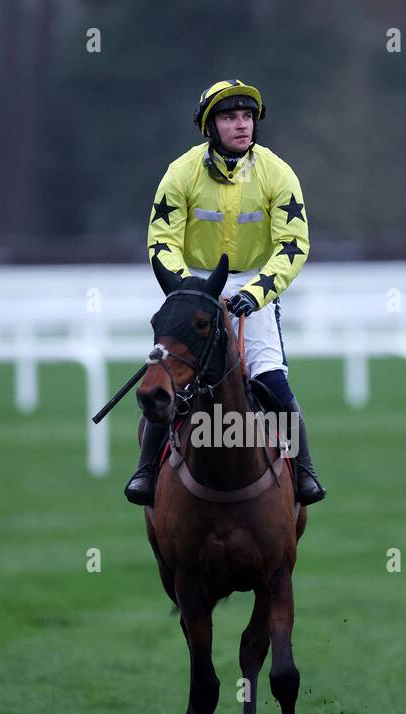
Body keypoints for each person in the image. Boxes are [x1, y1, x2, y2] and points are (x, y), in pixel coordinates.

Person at [126, 78, 326, 507]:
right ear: (209, 127)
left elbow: (294, 245)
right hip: (192, 286)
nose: (241, 125)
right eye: (229, 117)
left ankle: (305, 471)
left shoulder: (279, 173)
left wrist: (254, 295)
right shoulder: (180, 173)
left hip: (254, 289)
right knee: (169, 382)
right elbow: (161, 241)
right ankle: (145, 472)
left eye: (247, 117)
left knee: (272, 381)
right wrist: (191, 292)